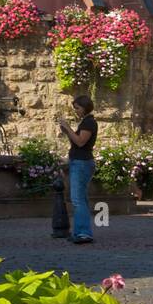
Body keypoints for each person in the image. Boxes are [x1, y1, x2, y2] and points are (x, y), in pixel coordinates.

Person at [58, 95, 99, 243]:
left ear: (85, 107)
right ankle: (79, 232)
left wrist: (68, 128)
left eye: (77, 108)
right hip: (79, 162)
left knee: (78, 200)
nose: (76, 111)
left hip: (82, 163)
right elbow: (76, 141)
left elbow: (81, 142)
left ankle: (83, 233)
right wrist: (67, 131)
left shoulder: (89, 122)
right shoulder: (86, 122)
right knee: (80, 199)